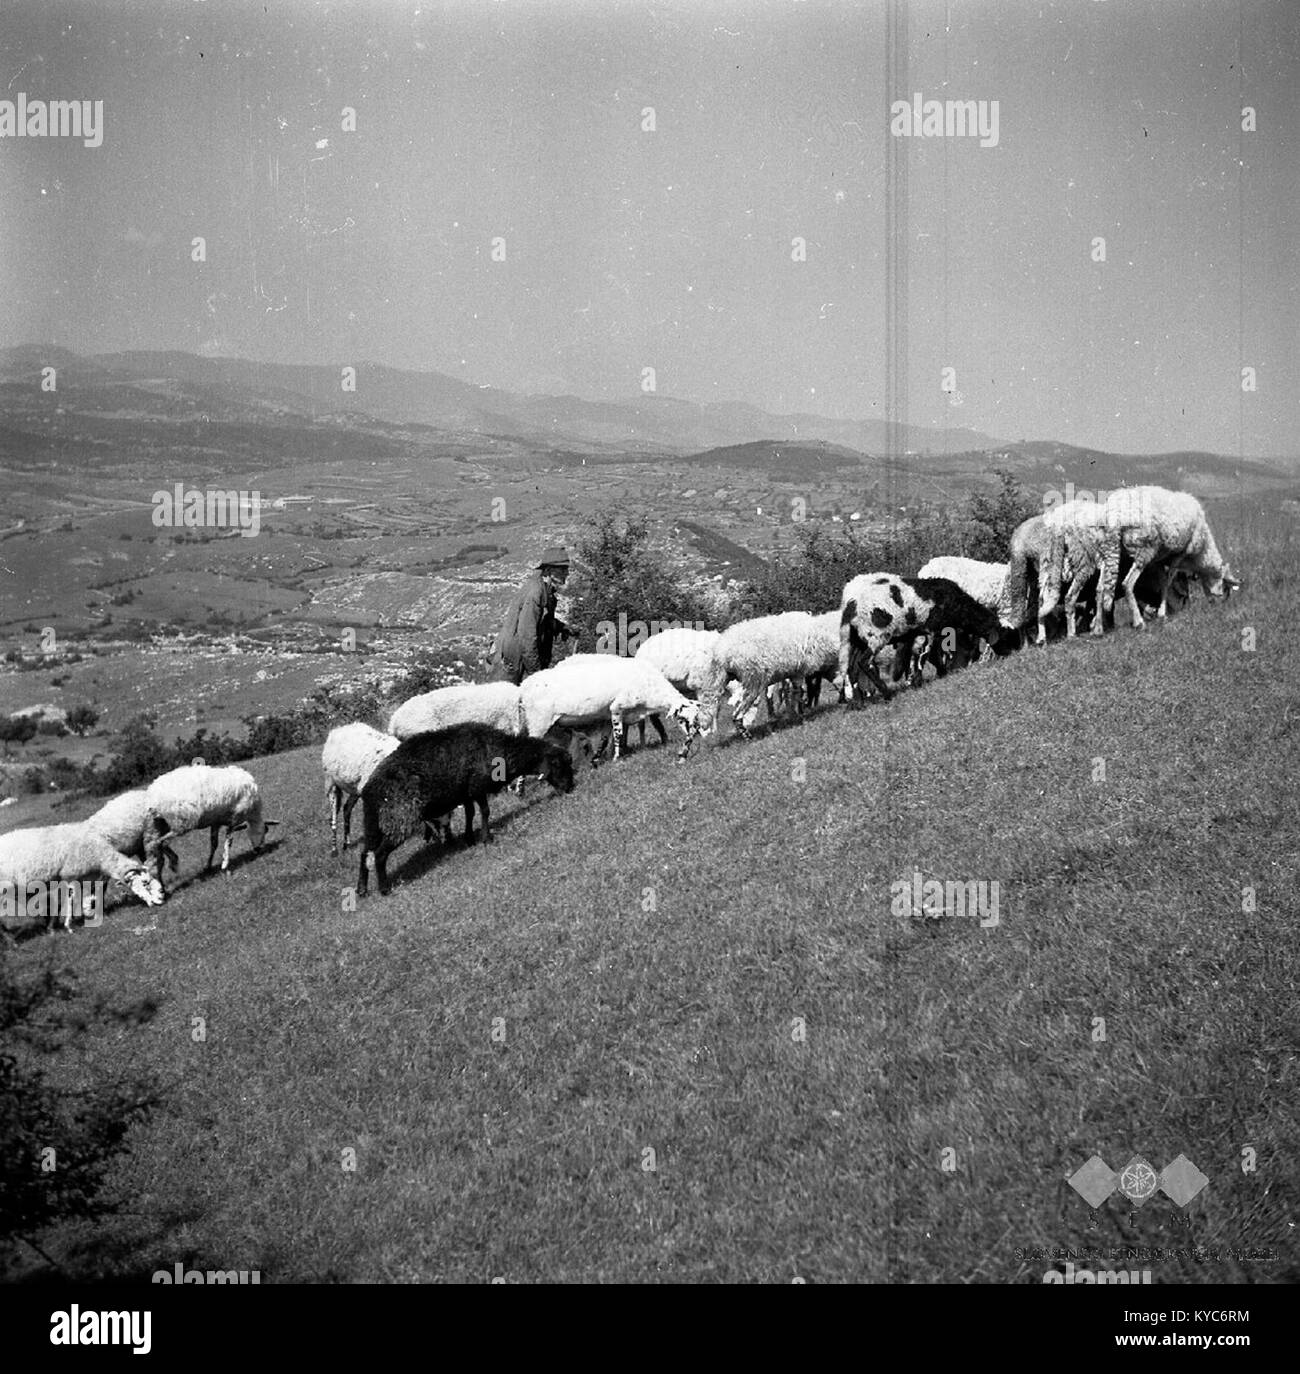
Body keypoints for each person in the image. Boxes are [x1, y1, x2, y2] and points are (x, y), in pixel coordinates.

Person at [488, 546, 572, 684]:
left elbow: (542, 621)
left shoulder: (546, 591)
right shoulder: (535, 593)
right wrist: (536, 675)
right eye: (562, 569)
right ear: (549, 571)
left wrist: (562, 627)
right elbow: (527, 637)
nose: (567, 573)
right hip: (513, 662)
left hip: (521, 660)